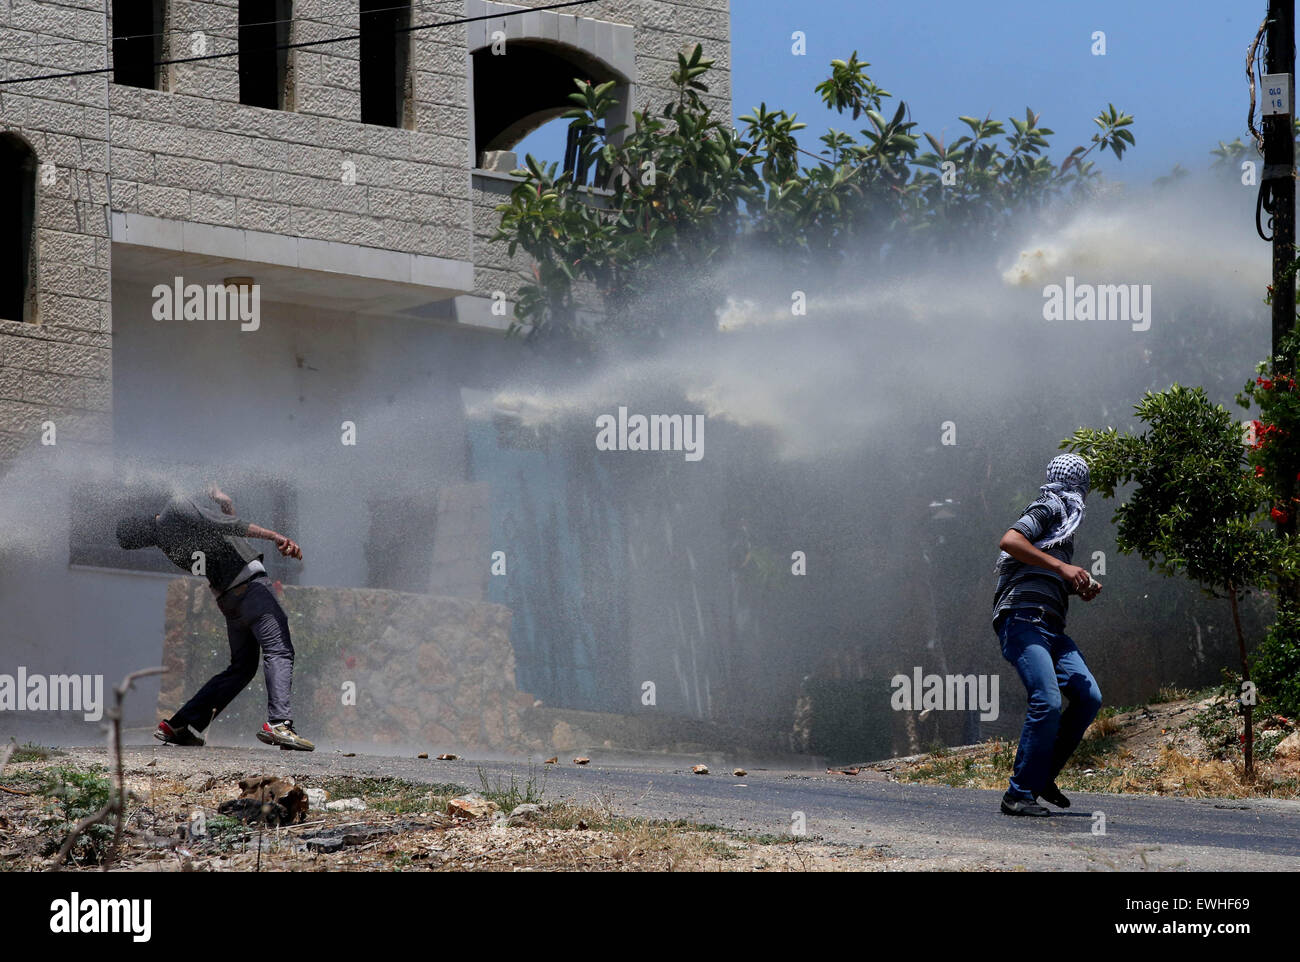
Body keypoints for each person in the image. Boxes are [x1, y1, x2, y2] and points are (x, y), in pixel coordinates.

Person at [115, 484, 314, 751]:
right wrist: (275, 536)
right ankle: (279, 723)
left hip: (231, 602)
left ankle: (180, 725)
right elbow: (228, 526)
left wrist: (225, 504)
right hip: (252, 591)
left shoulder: (170, 546)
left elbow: (226, 531)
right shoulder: (176, 507)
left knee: (241, 669)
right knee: (279, 650)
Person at [992, 454, 1102, 816]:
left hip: (1052, 628)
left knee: (1088, 696)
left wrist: (1077, 586)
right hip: (1022, 620)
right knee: (1047, 700)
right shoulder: (1049, 506)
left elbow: (1044, 573)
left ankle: (1041, 777)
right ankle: (1019, 793)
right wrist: (1061, 566)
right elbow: (1009, 540)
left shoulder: (1064, 530)